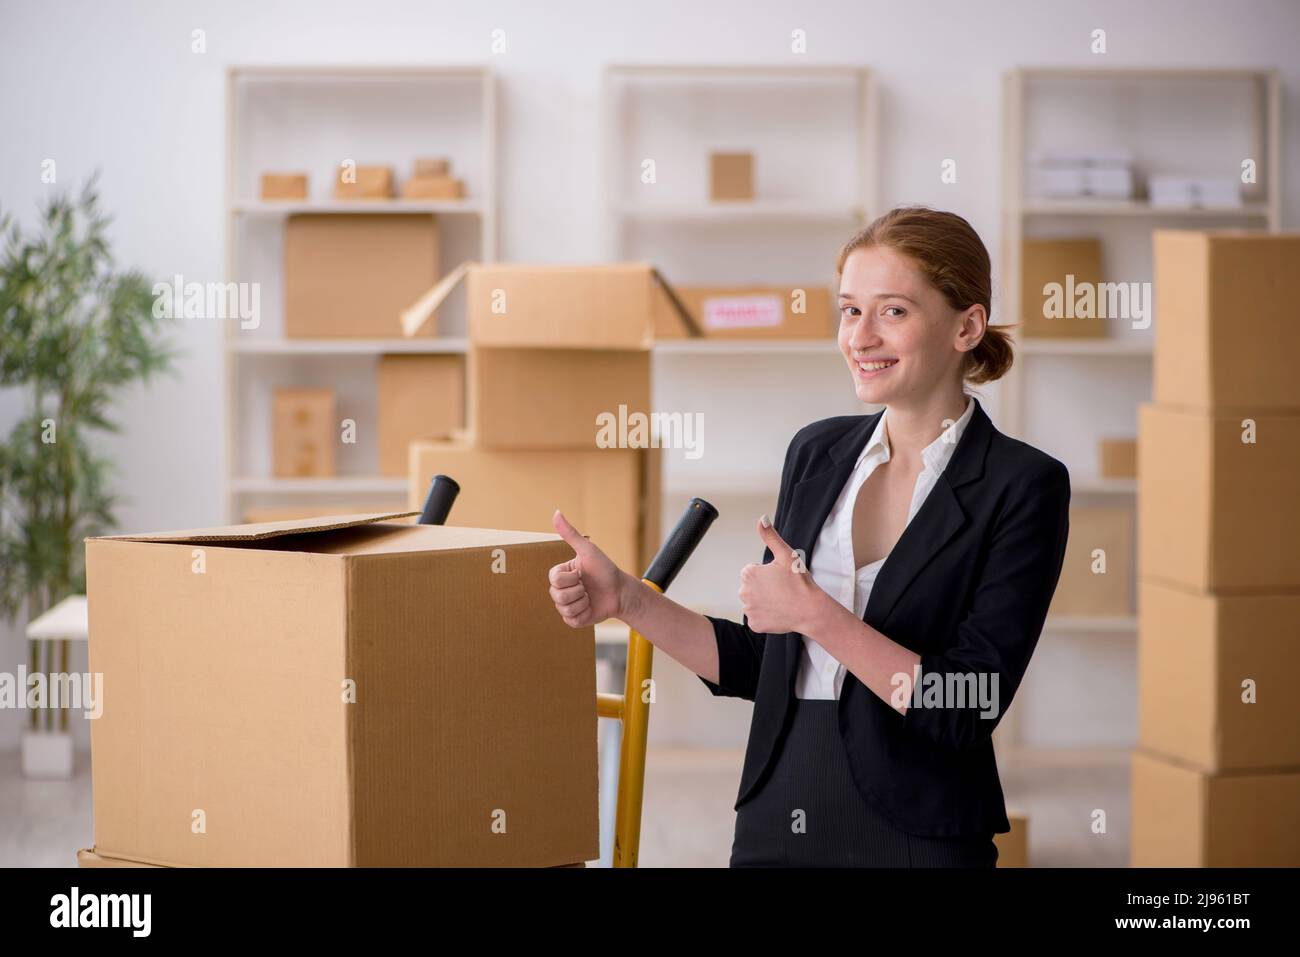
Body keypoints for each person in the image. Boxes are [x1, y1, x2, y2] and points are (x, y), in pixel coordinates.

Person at [547, 206, 1071, 867]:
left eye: (894, 311)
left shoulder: (1022, 484)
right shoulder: (817, 452)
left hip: (922, 829)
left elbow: (968, 701)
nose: (861, 335)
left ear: (967, 326)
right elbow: (761, 663)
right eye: (850, 310)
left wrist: (818, 617)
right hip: (780, 806)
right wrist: (627, 598)